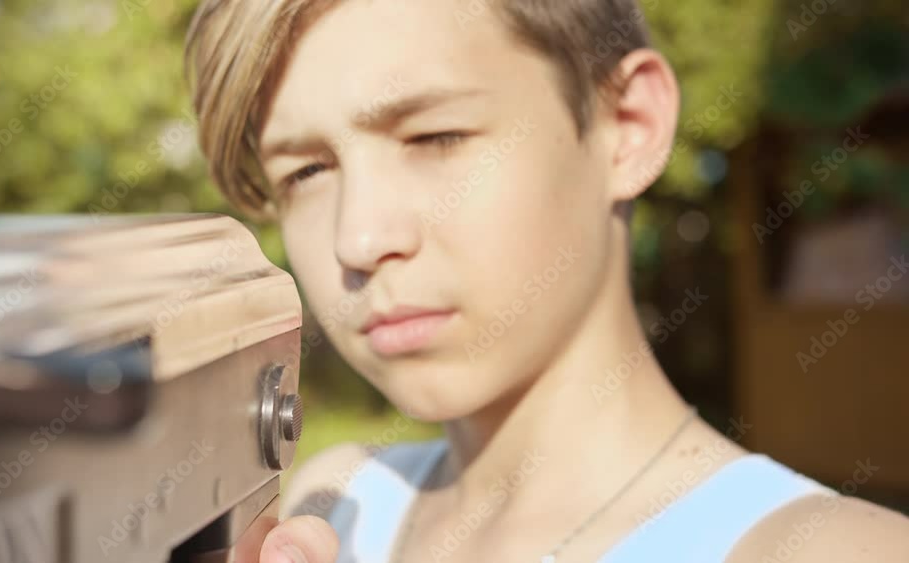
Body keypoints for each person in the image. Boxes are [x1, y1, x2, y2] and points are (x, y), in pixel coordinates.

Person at [183, 0, 909, 561]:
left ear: (628, 125)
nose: (360, 240)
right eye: (306, 171)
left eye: (436, 136)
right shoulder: (336, 507)